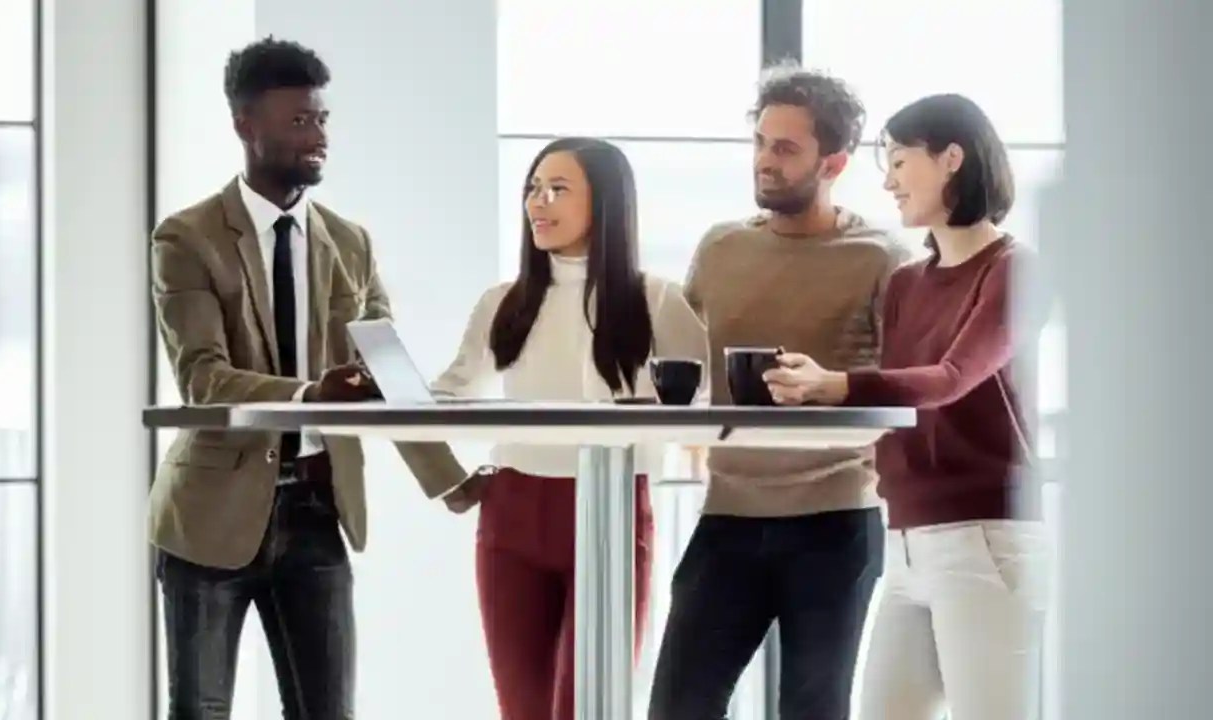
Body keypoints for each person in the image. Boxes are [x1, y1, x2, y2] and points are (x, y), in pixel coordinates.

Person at [149, 37, 471, 719]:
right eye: (299, 121)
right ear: (245, 124)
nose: (319, 137)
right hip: (211, 517)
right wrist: (307, 395)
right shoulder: (188, 238)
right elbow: (203, 378)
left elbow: (388, 373)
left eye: (322, 119)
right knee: (200, 711)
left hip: (318, 512)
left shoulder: (350, 242)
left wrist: (451, 481)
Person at [763, 93, 1049, 719]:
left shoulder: (1014, 270)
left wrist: (837, 384)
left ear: (952, 158)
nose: (888, 182)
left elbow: (950, 379)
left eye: (898, 161)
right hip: (905, 542)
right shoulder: (905, 284)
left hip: (986, 540)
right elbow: (899, 402)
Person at [647, 61, 907, 720]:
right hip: (728, 514)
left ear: (834, 163)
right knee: (678, 707)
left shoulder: (880, 256)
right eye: (761, 142)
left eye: (786, 148)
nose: (765, 160)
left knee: (813, 711)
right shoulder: (721, 247)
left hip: (835, 521)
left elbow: (906, 384)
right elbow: (678, 358)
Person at [430, 137, 708, 720]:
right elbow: (447, 393)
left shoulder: (655, 298)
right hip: (512, 510)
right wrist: (442, 467)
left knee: (590, 708)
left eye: (558, 189)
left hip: (612, 508)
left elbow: (704, 397)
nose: (539, 202)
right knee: (522, 709)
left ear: (604, 203)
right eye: (533, 188)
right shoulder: (503, 301)